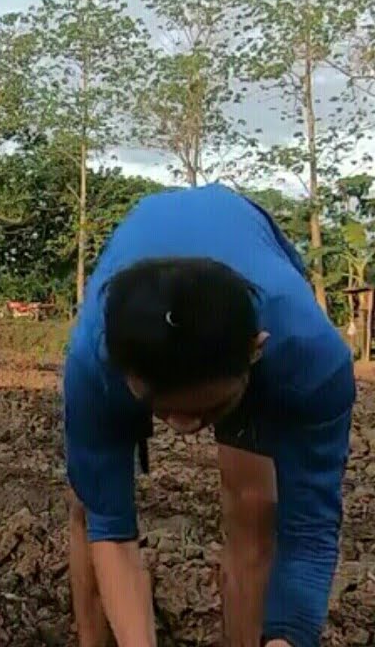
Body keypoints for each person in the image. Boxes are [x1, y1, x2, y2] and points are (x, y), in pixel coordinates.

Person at [63, 183, 354, 647]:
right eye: (163, 410)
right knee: (90, 501)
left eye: (206, 412)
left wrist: (289, 638)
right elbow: (112, 532)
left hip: (255, 330)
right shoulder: (93, 360)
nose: (181, 429)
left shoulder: (311, 359)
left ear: (255, 352)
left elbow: (309, 533)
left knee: (256, 503)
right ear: (126, 375)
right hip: (140, 340)